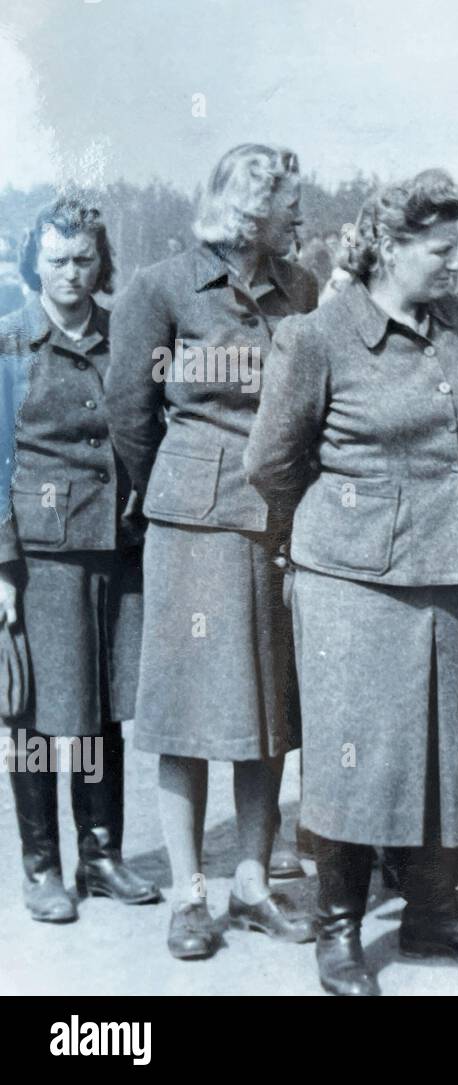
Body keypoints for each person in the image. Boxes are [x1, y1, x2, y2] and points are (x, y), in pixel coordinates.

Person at [246, 170, 458, 997]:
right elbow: (269, 463)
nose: (455, 263)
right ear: (390, 247)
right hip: (355, 582)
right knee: (357, 756)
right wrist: (337, 533)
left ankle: (433, 913)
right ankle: (339, 928)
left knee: (449, 744)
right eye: (440, 249)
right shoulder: (318, 337)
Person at [106, 144, 317, 959]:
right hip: (193, 525)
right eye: (290, 204)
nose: (300, 217)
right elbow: (131, 409)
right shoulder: (160, 287)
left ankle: (254, 880)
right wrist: (171, 482)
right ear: (250, 206)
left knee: (266, 707)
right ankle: (191, 893)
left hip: (277, 519)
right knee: (190, 710)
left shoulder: (299, 287)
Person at [0, 197, 161, 923]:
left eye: (85, 258)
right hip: (41, 557)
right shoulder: (9, 343)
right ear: (35, 260)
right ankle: (42, 864)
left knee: (103, 705)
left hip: (118, 548)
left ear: (103, 263)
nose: (72, 273)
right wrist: (2, 567)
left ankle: (101, 854)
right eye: (59, 258)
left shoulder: (123, 336)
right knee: (36, 714)